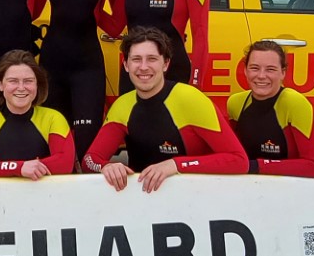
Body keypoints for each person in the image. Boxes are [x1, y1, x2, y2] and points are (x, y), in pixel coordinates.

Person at [84, 27, 246, 192]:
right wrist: (106, 166)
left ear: (166, 64)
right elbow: (90, 160)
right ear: (126, 65)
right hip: (144, 196)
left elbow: (238, 160)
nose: (143, 67)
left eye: (152, 59)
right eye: (136, 59)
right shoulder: (123, 105)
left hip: (194, 195)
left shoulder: (192, 100)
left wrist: (176, 165)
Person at [31, 0, 122, 161]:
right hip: (52, 65)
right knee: (55, 150)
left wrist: (95, 12)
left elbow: (117, 23)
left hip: (88, 66)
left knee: (87, 149)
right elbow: (30, 11)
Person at [0, 50, 75, 179]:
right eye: (13, 81)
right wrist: (18, 168)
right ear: (1, 84)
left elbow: (65, 163)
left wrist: (25, 168)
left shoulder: (53, 118)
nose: (21, 88)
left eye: (28, 81)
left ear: (37, 84)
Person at [226, 41, 314, 177]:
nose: (261, 76)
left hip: (289, 184)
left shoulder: (295, 103)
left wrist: (257, 166)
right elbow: (232, 155)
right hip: (249, 182)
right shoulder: (235, 103)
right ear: (245, 70)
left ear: (283, 73)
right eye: (254, 68)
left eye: (270, 69)